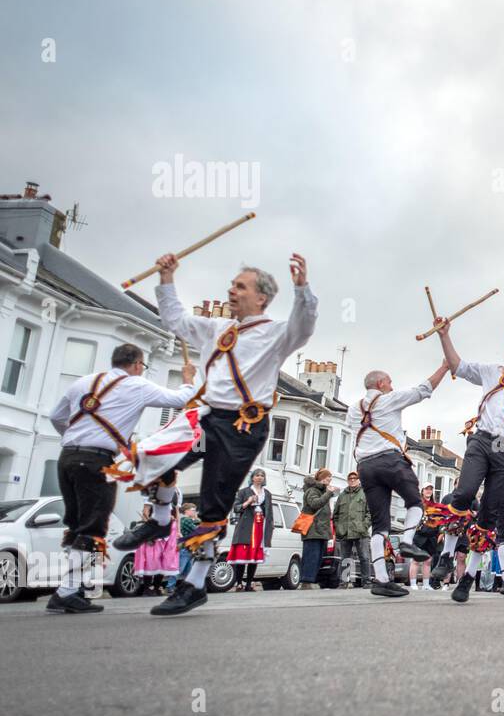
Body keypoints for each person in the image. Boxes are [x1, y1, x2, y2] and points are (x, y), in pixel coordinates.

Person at [114, 252, 317, 618]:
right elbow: (174, 319)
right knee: (156, 456)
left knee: (213, 504)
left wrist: (302, 289)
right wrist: (166, 278)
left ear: (261, 298)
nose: (232, 290)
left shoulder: (275, 333)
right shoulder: (215, 328)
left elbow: (304, 327)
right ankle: (160, 522)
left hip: (243, 426)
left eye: (241, 286)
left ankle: (194, 586)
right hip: (206, 418)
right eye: (232, 285)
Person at [47, 342, 197, 613]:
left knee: (77, 524)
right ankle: (67, 592)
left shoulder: (83, 382)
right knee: (93, 527)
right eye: (143, 366)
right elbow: (179, 400)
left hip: (66, 457)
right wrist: (188, 379)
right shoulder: (136, 385)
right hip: (97, 462)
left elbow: (56, 417)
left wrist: (77, 438)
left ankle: (72, 586)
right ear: (138, 365)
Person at [432, 324, 504, 602]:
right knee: (464, 492)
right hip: (482, 440)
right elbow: (457, 365)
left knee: (489, 512)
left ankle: (468, 578)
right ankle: (446, 555)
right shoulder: (491, 371)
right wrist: (444, 336)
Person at [347, 361, 453, 597]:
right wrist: (445, 368)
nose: (392, 386)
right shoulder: (388, 399)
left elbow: (353, 429)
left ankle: (381, 580)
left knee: (379, 525)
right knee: (415, 501)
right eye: (390, 382)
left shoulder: (353, 409)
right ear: (381, 383)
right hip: (390, 461)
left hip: (365, 466)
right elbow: (423, 390)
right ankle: (406, 540)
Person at [229, 468, 272, 591]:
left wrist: (270, 527)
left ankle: (248, 583)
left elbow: (269, 512)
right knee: (242, 556)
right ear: (252, 478)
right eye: (257, 475)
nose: (259, 477)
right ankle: (239, 583)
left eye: (262, 475)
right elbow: (236, 508)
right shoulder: (243, 492)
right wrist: (248, 502)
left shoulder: (267, 493)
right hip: (246, 526)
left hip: (260, 525)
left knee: (254, 557)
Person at [333, 472, 372, 588]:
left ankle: (366, 581)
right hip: (345, 532)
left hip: (361, 532)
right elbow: (336, 514)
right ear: (347, 480)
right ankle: (344, 581)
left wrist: (364, 526)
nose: (352, 480)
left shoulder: (365, 494)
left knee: (364, 557)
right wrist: (339, 528)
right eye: (350, 478)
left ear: (359, 480)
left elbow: (370, 513)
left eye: (355, 478)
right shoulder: (342, 495)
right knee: (345, 558)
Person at [300, 469, 335, 590]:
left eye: (330, 477)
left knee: (319, 557)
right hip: (312, 529)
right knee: (311, 556)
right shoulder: (312, 490)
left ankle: (311, 580)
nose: (329, 479)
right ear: (320, 478)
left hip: (321, 530)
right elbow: (315, 504)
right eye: (327, 477)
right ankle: (306, 581)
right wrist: (328, 493)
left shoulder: (323, 491)